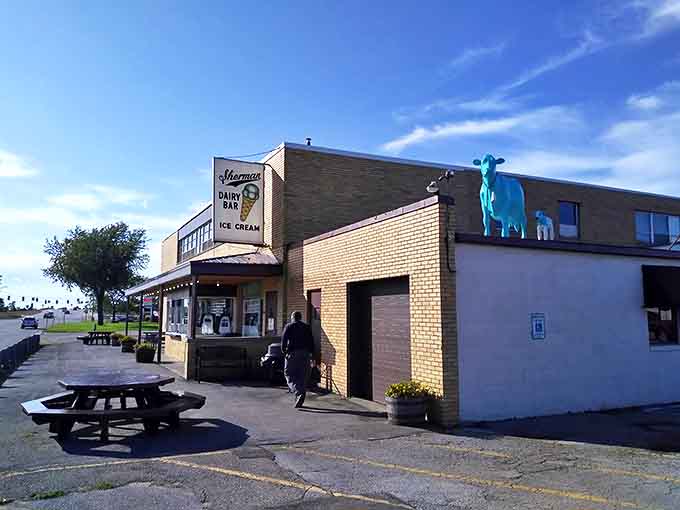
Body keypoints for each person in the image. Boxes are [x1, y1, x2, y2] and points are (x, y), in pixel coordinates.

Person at [281, 311, 315, 408]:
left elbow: (284, 341)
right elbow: (311, 341)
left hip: (292, 353)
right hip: (305, 354)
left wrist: (284, 352)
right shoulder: (307, 327)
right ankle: (301, 393)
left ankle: (298, 391)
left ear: (293, 318)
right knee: (303, 375)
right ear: (300, 318)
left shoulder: (289, 326)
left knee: (289, 374)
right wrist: (312, 355)